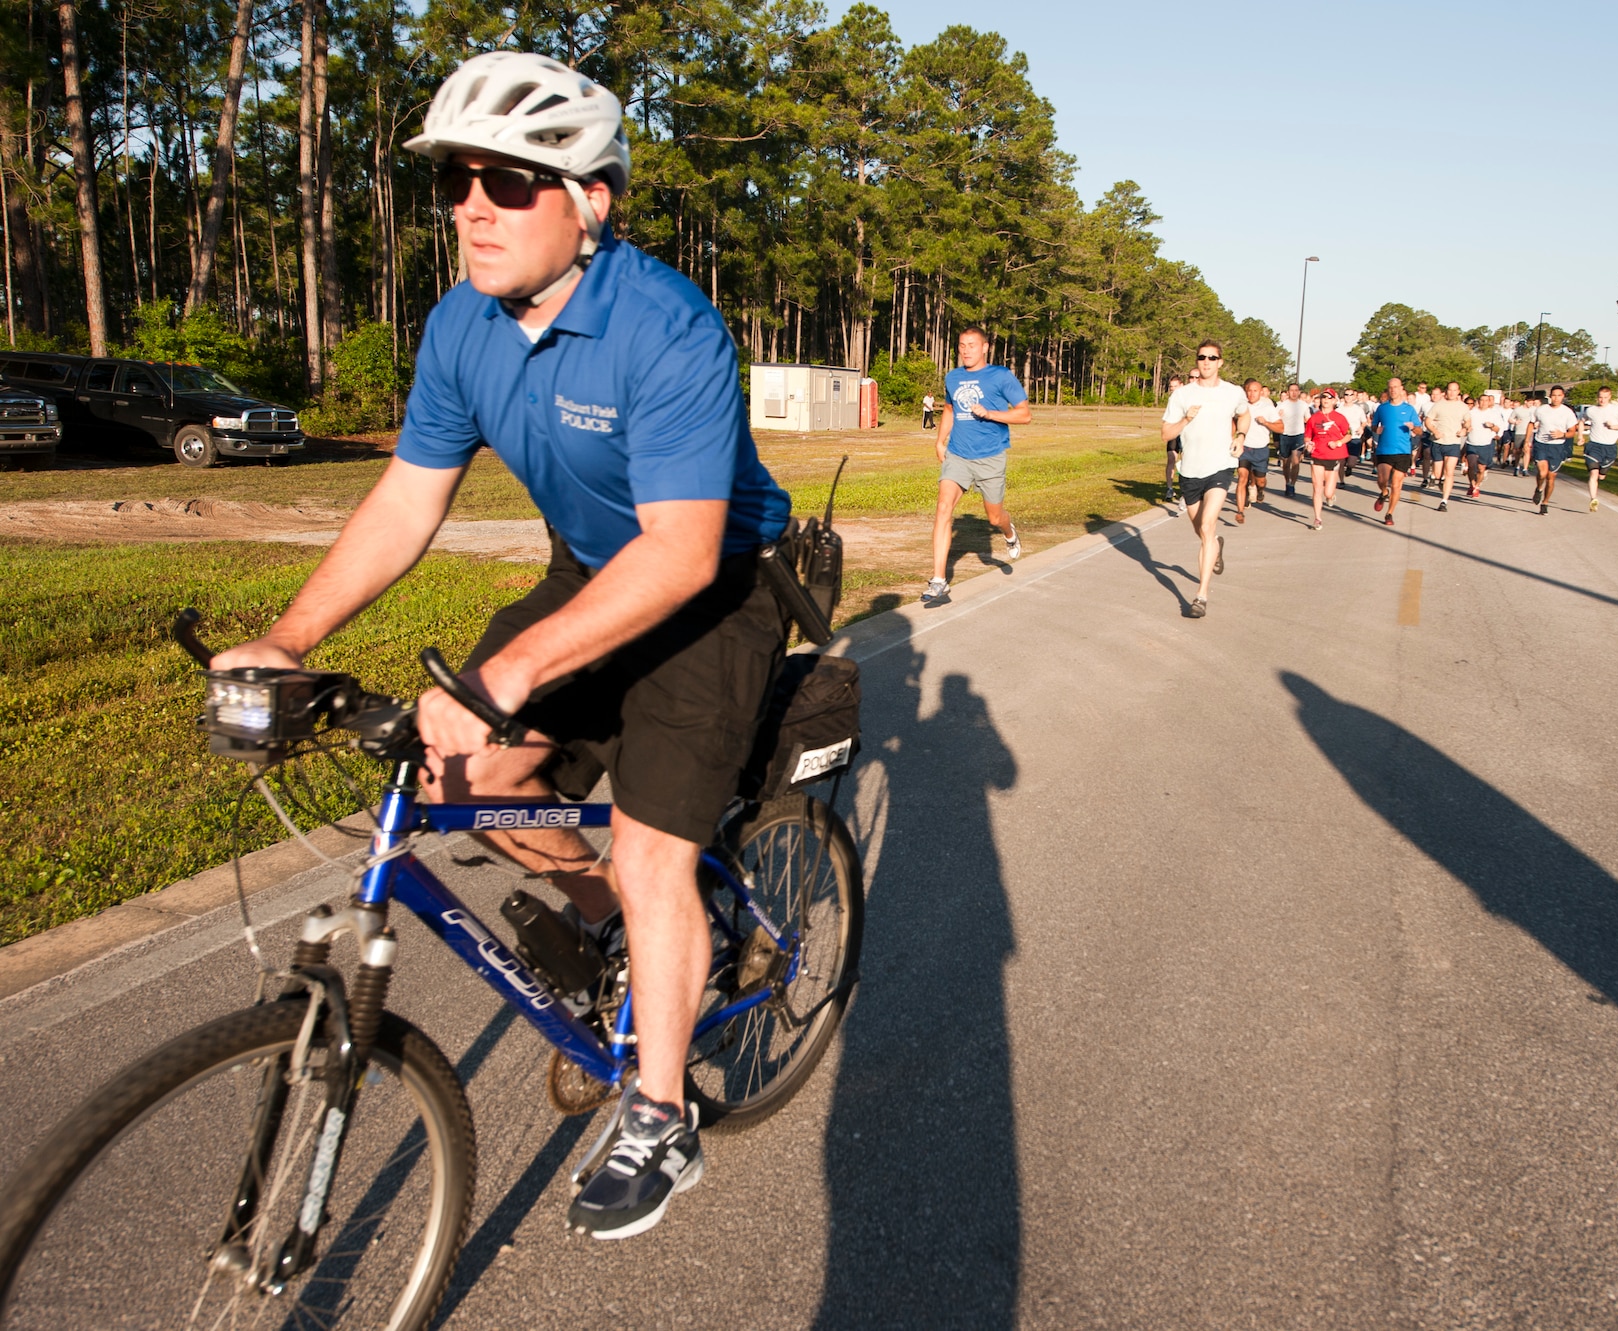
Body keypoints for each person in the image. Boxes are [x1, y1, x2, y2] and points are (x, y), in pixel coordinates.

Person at [211, 51, 795, 1241]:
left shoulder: (666, 325)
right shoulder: (460, 326)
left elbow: (681, 556)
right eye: (456, 180)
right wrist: (287, 635)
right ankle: (630, 936)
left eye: (512, 180)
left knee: (649, 848)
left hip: (716, 584)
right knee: (458, 779)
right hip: (593, 573)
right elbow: (406, 501)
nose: (474, 204)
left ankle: (661, 1111)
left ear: (591, 202)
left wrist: (506, 674)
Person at [923, 327, 1032, 606]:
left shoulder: (1000, 376)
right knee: (943, 507)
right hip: (958, 453)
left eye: (972, 345)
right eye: (962, 345)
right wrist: (939, 440)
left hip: (990, 457)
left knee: (994, 517)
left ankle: (1009, 533)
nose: (966, 350)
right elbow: (948, 410)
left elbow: (1025, 414)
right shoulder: (953, 377)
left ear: (985, 347)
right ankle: (938, 581)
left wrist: (991, 413)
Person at [1161, 339, 1248, 617]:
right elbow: (1166, 434)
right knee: (1201, 531)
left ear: (1220, 362)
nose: (1207, 362)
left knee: (1207, 526)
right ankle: (1216, 547)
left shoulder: (1232, 392)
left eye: (1212, 357)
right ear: (1197, 362)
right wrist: (1186, 420)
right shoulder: (1182, 395)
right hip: (1190, 472)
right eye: (1202, 357)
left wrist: (1241, 436)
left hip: (1221, 467)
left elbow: (1244, 415)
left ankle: (1201, 596)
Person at [1368, 377, 1422, 527]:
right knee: (1382, 480)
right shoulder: (1382, 408)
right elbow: (1373, 425)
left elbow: (1419, 431)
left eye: (1396, 387)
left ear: (1401, 389)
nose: (1393, 390)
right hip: (1384, 450)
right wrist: (1376, 430)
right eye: (1390, 387)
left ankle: (1389, 513)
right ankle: (1384, 492)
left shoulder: (1409, 409)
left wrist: (1413, 428)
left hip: (1403, 450)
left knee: (1397, 484)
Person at [1234, 379, 1284, 521]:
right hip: (1244, 448)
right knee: (1242, 477)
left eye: (1255, 391)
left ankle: (1260, 490)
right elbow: (1232, 422)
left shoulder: (1267, 408)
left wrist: (1266, 422)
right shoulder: (1241, 407)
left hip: (1260, 449)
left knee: (1260, 481)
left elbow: (1281, 428)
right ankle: (1240, 511)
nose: (1251, 394)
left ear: (1260, 392)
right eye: (1249, 390)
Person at [1302, 390, 1351, 529]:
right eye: (1323, 397)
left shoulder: (1340, 418)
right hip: (1317, 455)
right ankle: (1317, 519)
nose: (1326, 400)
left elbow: (1348, 435)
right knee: (1317, 488)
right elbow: (1307, 436)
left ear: (1334, 401)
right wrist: (1308, 444)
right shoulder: (1314, 418)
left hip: (1334, 456)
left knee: (1327, 492)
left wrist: (1338, 443)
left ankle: (1330, 496)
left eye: (1329, 398)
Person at [1529, 384, 1581, 514]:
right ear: (1550, 396)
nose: (1556, 398)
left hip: (1557, 446)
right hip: (1541, 443)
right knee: (1542, 473)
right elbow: (1531, 424)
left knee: (1551, 477)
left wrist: (1562, 434)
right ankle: (1539, 488)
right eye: (1554, 395)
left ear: (1563, 396)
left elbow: (1572, 432)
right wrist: (1527, 441)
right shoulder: (1541, 409)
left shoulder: (1567, 412)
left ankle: (1545, 503)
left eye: (1559, 395)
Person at [1423, 381, 1471, 512]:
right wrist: (1435, 431)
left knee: (1449, 472)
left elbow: (1468, 422)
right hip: (1438, 442)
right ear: (1446, 391)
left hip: (1453, 442)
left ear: (1458, 392)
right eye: (1450, 390)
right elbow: (1427, 421)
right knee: (1438, 474)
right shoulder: (1438, 405)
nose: (1452, 393)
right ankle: (1439, 480)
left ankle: (1444, 501)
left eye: (1455, 390)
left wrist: (1464, 430)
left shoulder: (1463, 407)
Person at [1580, 386, 1618, 511]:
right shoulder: (1591, 410)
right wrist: (1580, 436)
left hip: (1610, 447)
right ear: (1597, 397)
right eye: (1600, 397)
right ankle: (1593, 499)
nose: (1602, 400)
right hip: (1594, 445)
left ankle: (1602, 475)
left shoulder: (1617, 410)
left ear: (1610, 397)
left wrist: (1614, 427)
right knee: (1593, 473)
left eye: (1605, 398)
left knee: (1601, 476)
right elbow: (1581, 421)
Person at [1463, 387, 1506, 500]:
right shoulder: (1471, 413)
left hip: (1485, 444)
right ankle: (1472, 485)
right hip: (1472, 442)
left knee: (1481, 469)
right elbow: (1464, 424)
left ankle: (1477, 486)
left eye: (1486, 401)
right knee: (1472, 466)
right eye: (1481, 400)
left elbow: (1498, 429)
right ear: (1478, 401)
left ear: (1489, 402)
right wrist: (1467, 427)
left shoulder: (1493, 414)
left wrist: (1492, 426)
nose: (1483, 403)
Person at [1275, 382, 1311, 497]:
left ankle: (1292, 485)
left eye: (1296, 390)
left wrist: (1308, 436)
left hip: (1298, 435)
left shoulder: (1303, 405)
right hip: (1285, 435)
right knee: (1286, 463)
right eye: (1291, 390)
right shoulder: (1281, 405)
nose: (1294, 392)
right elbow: (1275, 421)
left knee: (1295, 461)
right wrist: (1279, 417)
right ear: (1288, 392)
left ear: (1299, 392)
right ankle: (1287, 482)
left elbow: (1309, 420)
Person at [1163, 373, 1187, 513]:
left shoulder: (1187, 397)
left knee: (1185, 461)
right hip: (1173, 432)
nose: (1173, 389)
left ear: (1181, 386)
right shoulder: (1171, 399)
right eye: (1171, 387)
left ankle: (1184, 493)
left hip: (1184, 432)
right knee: (1171, 459)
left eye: (1175, 386)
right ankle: (1169, 489)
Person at [1508, 394, 1537, 476]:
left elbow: (1538, 419)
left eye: (1532, 403)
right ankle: (1516, 467)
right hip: (1519, 432)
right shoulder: (1518, 410)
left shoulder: (1534, 410)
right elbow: (1510, 419)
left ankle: (1525, 469)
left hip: (1529, 433)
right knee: (1518, 451)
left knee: (1527, 450)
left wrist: (1537, 424)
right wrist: (1515, 422)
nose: (1531, 405)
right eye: (1530, 403)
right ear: (1526, 402)